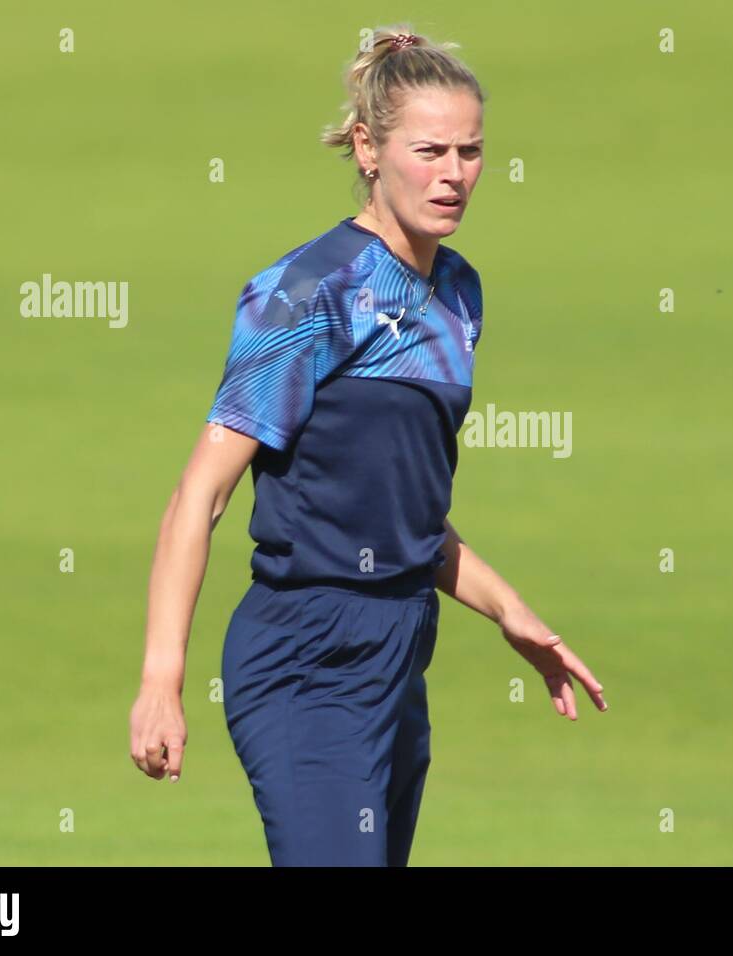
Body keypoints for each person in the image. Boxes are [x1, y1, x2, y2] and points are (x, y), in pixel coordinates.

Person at [128, 25, 607, 866]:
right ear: (367, 146)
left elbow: (395, 515)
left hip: (399, 654)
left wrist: (508, 611)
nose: (453, 174)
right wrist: (161, 683)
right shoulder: (309, 292)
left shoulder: (458, 293)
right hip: (304, 651)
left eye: (471, 151)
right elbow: (197, 497)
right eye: (430, 150)